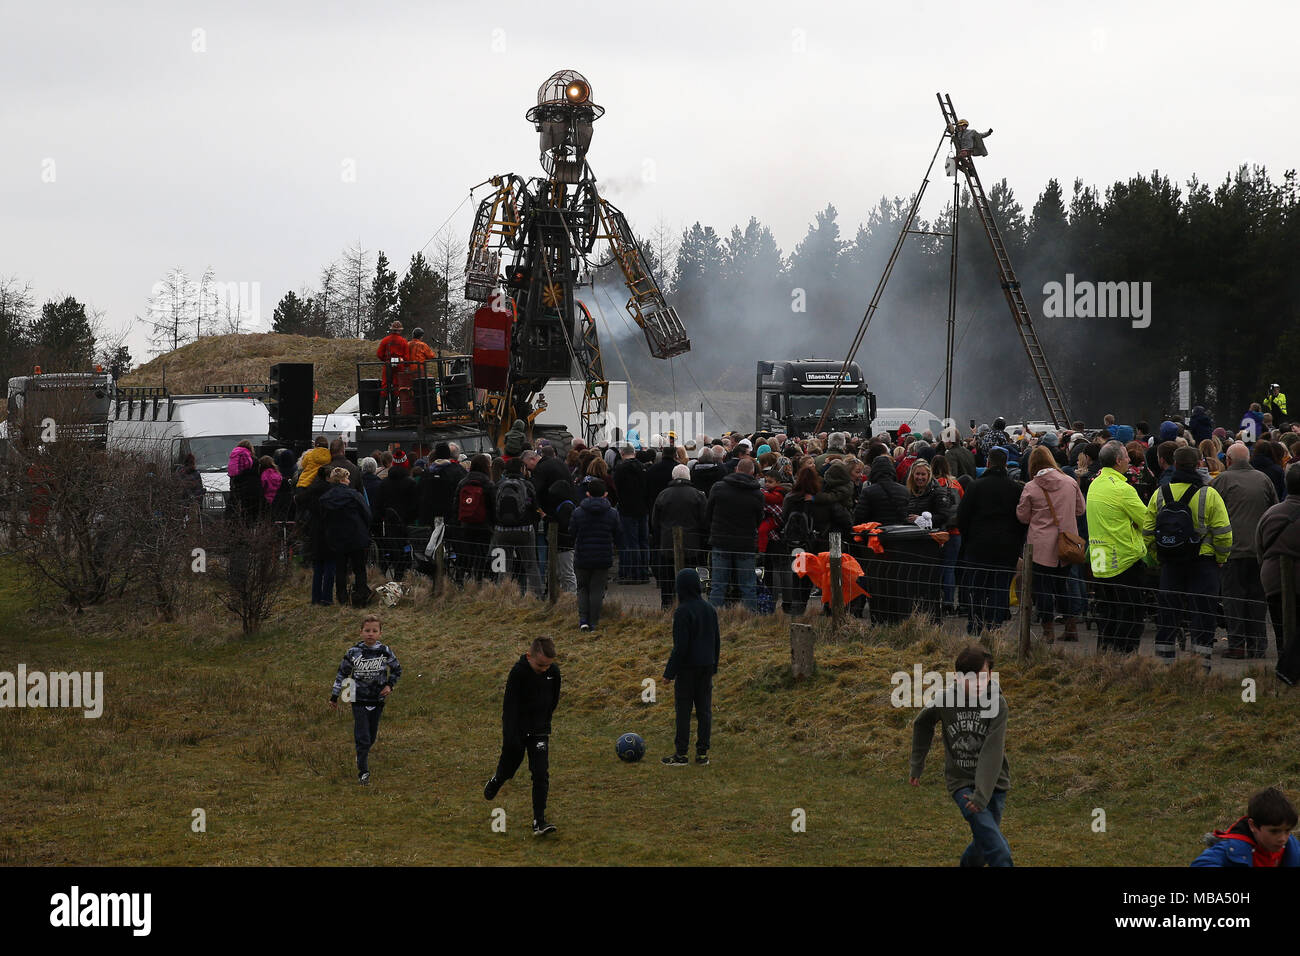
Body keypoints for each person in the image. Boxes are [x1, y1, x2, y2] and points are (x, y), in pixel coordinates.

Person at [909, 646, 1011, 867]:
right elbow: (922, 723)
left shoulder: (998, 704)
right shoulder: (945, 699)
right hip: (962, 783)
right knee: (998, 851)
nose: (978, 683)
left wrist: (982, 794)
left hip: (994, 785)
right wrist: (917, 764)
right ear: (957, 677)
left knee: (983, 846)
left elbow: (992, 751)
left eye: (983, 676)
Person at [1142, 446, 1232, 663]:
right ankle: (1200, 667)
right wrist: (1220, 558)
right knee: (1203, 616)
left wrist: (1159, 556)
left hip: (1171, 563)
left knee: (1168, 615)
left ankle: (1165, 663)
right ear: (1199, 464)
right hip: (1203, 563)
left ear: (1174, 464)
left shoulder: (1160, 494)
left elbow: (1147, 533)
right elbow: (1224, 534)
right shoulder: (1209, 494)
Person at [483, 637, 561, 836]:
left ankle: (539, 821)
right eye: (540, 665)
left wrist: (543, 720)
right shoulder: (518, 673)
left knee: (541, 774)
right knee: (509, 768)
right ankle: (497, 779)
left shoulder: (553, 672)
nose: (544, 669)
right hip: (517, 730)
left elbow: (553, 700)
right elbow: (509, 707)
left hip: (539, 730)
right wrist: (511, 736)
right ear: (529, 657)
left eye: (548, 665)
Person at [1016, 446, 1086, 642]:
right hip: (1067, 543)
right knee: (1062, 586)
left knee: (1043, 588)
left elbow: (1022, 516)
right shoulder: (1070, 482)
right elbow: (1081, 509)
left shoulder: (1031, 487)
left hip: (1040, 546)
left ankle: (1048, 631)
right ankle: (1071, 627)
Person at [1215, 441, 1277, 658]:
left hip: (1232, 552)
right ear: (1248, 459)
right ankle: (1258, 645)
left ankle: (1237, 645)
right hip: (1259, 553)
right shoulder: (1264, 479)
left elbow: (1212, 515)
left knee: (1233, 600)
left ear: (1228, 460)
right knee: (1258, 600)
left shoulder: (1222, 480)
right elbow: (1274, 513)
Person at [1087, 441, 1149, 653]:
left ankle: (1105, 653)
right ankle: (1124, 656)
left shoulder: (1095, 484)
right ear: (1118, 461)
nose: (1129, 460)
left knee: (1108, 611)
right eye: (1126, 456)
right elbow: (1147, 521)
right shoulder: (1123, 489)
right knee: (1131, 613)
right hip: (1124, 559)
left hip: (1099, 558)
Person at [955, 448, 1024, 634]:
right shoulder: (1016, 488)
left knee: (976, 587)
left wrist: (969, 538)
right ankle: (995, 626)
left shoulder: (976, 486)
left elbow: (962, 516)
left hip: (978, 546)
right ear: (1006, 463)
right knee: (1000, 588)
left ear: (988, 463)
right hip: (1007, 547)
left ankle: (975, 624)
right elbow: (1022, 520)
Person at [328, 614, 401, 785]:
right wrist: (334, 696)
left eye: (374, 631)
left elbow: (397, 670)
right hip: (358, 699)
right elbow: (342, 674)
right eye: (367, 630)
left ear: (380, 633)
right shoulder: (353, 652)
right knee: (363, 738)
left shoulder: (385, 651)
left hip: (377, 700)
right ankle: (363, 772)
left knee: (371, 736)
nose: (370, 634)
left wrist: (390, 685)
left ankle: (361, 755)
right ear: (361, 632)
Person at [661, 568, 721, 766]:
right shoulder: (709, 609)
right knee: (704, 711)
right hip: (706, 665)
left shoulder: (682, 612)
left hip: (687, 669)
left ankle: (681, 753)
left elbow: (681, 647)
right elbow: (716, 641)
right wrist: (714, 664)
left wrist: (669, 673)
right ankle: (702, 753)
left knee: (684, 711)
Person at [1256, 463, 1300, 680]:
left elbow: (1260, 548)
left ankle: (1284, 667)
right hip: (1293, 579)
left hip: (1272, 579)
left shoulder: (1270, 513)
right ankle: (1288, 672)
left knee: (1282, 628)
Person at [704, 457, 765, 613]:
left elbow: (708, 513)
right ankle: (750, 618)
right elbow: (759, 519)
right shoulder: (757, 493)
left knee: (718, 584)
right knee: (748, 585)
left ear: (736, 469)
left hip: (721, 540)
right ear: (752, 472)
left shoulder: (718, 488)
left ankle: (714, 617)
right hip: (745, 542)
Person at [1192, 787, 1299, 867]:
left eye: (1287, 831)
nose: (1283, 838)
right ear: (1253, 825)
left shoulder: (1293, 848)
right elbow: (1200, 864)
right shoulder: (1232, 848)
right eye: (1274, 831)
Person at [569, 478, 623, 632]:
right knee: (597, 590)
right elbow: (619, 533)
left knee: (582, 588)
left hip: (582, 555)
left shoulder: (578, 512)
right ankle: (594, 622)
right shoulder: (612, 513)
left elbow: (572, 531)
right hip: (603, 555)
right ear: (605, 494)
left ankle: (583, 619)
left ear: (587, 494)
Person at [651, 464, 708, 609]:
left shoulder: (663, 495)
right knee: (691, 579)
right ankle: (692, 606)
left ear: (673, 477)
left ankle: (667, 607)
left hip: (667, 544)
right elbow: (704, 521)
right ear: (689, 477)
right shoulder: (698, 495)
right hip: (692, 545)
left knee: (668, 581)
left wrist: (659, 540)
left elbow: (655, 522)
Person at [320, 467, 373, 607]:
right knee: (359, 568)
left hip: (336, 539)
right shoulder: (354, 495)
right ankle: (361, 597)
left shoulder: (325, 498)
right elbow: (367, 514)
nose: (349, 481)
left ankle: (342, 598)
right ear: (343, 479)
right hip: (356, 536)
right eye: (348, 478)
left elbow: (323, 519)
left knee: (340, 570)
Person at [492, 457, 543, 598]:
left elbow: (492, 508)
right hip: (524, 530)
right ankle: (537, 597)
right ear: (522, 469)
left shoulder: (498, 485)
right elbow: (536, 507)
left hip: (501, 531)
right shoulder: (527, 485)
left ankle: (501, 595)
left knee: (502, 566)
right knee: (531, 565)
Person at [376, 321, 408, 417]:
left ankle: (381, 413)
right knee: (396, 387)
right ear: (400, 330)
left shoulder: (385, 340)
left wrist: (385, 360)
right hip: (399, 365)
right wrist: (405, 365)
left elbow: (379, 354)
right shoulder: (403, 341)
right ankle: (393, 412)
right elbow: (407, 357)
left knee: (385, 386)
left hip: (388, 364)